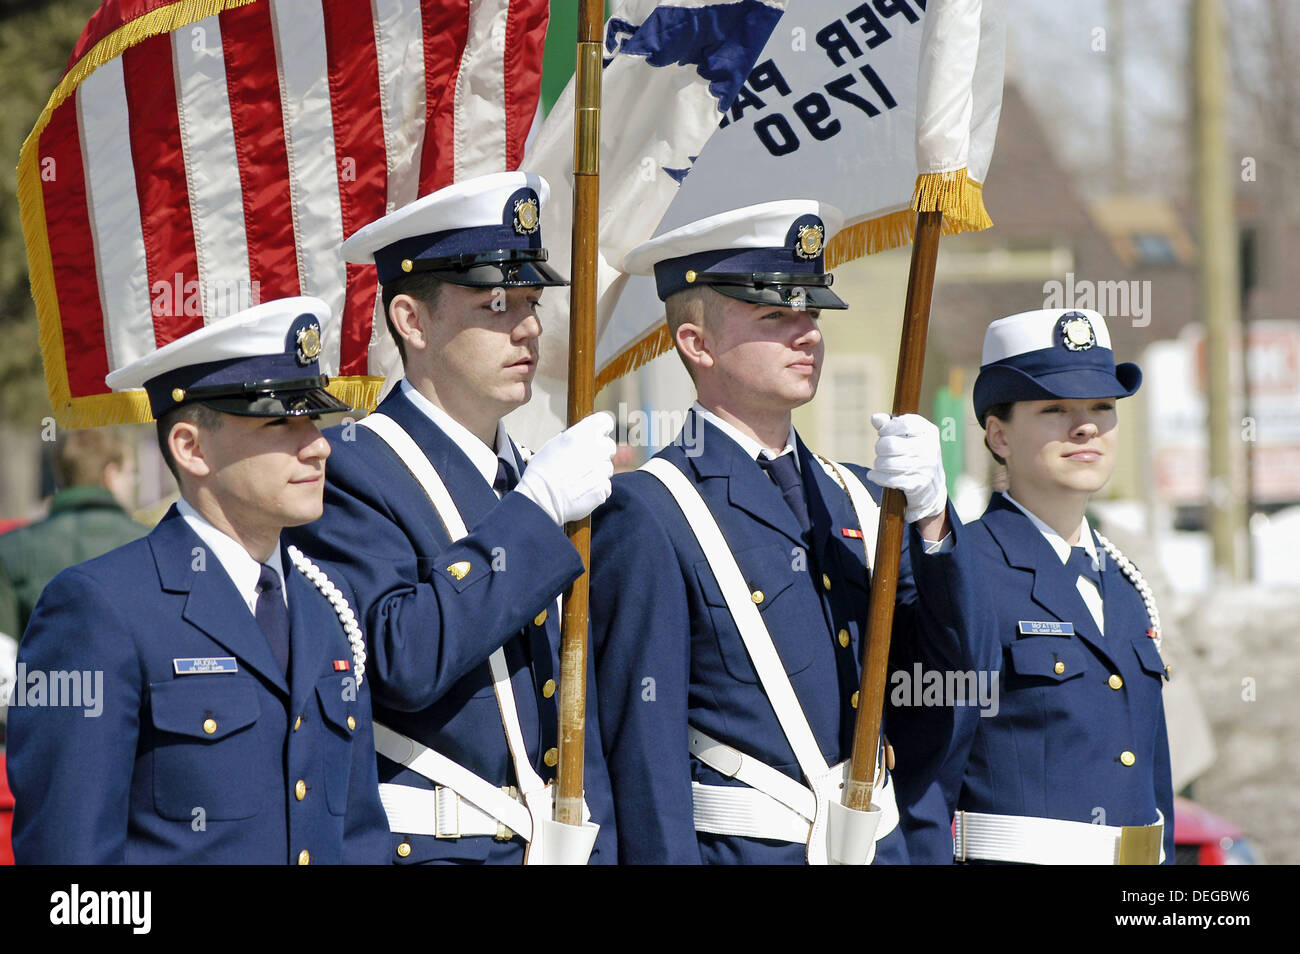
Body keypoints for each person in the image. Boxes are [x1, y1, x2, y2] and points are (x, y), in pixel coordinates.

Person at [588, 200, 992, 864]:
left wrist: (934, 522)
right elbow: (643, 753)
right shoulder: (650, 511)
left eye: (812, 312)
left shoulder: (861, 496)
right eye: (776, 315)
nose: (807, 333)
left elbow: (956, 678)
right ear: (698, 344)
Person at [287, 172, 617, 864]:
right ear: (412, 319)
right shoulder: (350, 467)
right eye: (497, 303)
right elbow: (402, 658)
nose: (528, 326)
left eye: (531, 301)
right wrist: (534, 514)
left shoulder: (528, 474)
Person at [6, 298, 390, 864]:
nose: (318, 444)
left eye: (315, 417)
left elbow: (358, 838)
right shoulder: (100, 608)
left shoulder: (326, 602)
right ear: (191, 447)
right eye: (281, 420)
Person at [954, 307, 1172, 865]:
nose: (1086, 427)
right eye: (1055, 409)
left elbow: (1154, 785)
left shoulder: (1124, 581)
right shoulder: (963, 569)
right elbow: (925, 780)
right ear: (998, 434)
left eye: (1102, 407)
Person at [0, 427, 147, 640]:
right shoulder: (152, 543)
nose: (132, 484)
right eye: (131, 474)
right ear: (111, 475)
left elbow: (4, 654)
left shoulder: (10, 548)